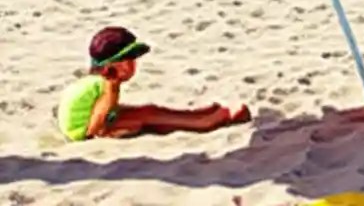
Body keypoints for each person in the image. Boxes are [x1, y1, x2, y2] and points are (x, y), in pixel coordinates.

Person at [56, 27, 250, 141]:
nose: (133, 66)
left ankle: (199, 115)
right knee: (147, 117)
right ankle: (205, 122)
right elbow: (95, 127)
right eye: (129, 60)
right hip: (82, 130)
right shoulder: (108, 84)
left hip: (84, 120)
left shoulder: (96, 82)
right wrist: (110, 131)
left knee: (149, 111)